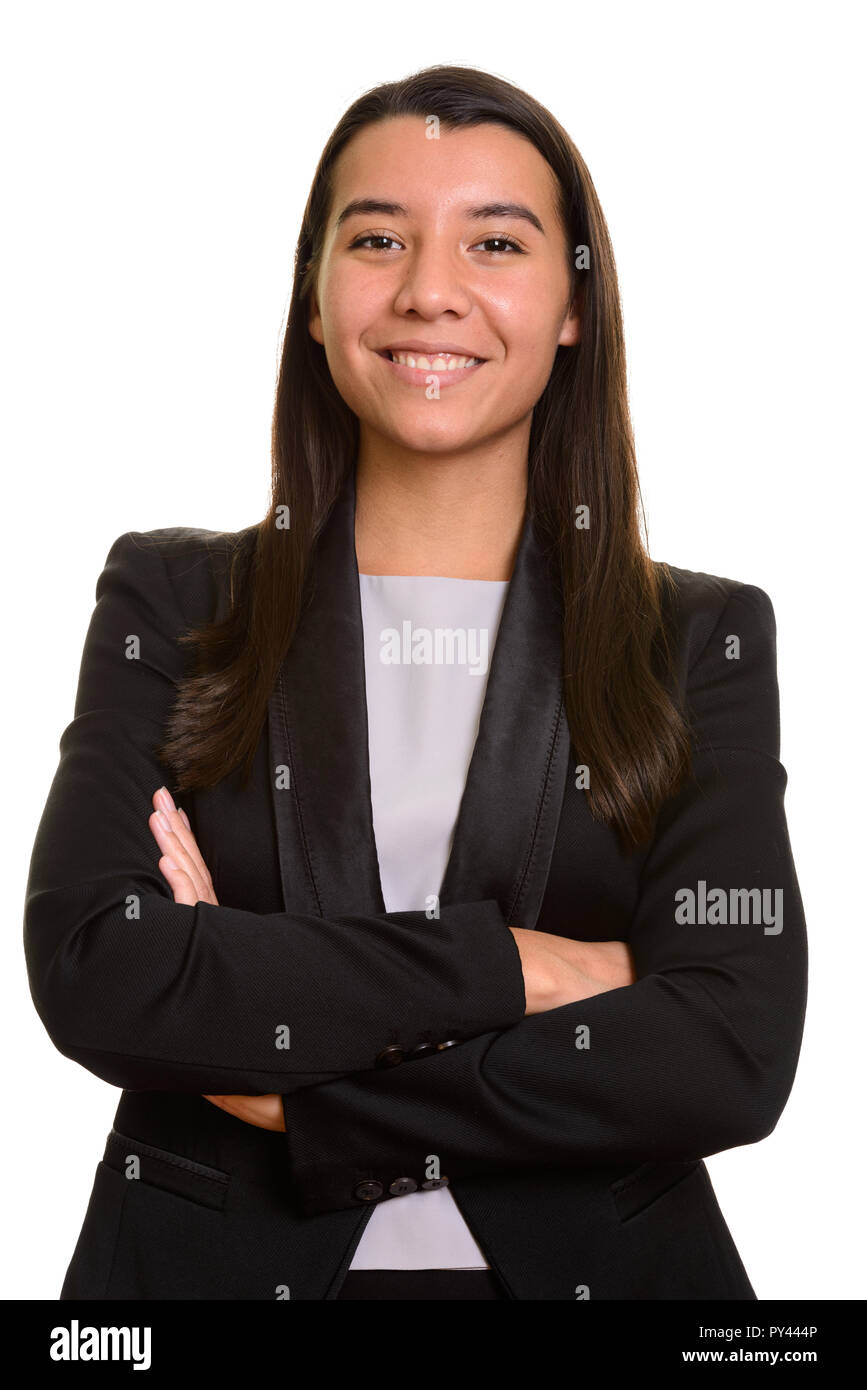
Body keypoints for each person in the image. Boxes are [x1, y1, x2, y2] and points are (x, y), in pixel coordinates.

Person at [24, 64, 807, 1301]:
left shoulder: (697, 638)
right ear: (316, 296)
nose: (430, 290)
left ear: (573, 307)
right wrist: (520, 968)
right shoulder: (174, 604)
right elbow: (97, 970)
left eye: (495, 241)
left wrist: (303, 1087)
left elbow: (729, 1048)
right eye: (377, 236)